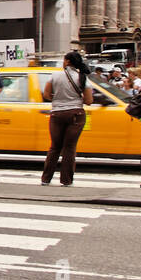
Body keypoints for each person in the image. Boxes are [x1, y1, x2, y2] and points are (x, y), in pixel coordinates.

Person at [41, 51, 94, 187]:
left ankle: (46, 179)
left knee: (55, 147)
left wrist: (59, 99)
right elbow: (88, 100)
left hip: (57, 114)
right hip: (76, 115)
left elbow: (46, 95)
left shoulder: (55, 75)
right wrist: (76, 99)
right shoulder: (83, 78)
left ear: (68, 61)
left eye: (64, 60)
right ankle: (66, 180)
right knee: (69, 148)